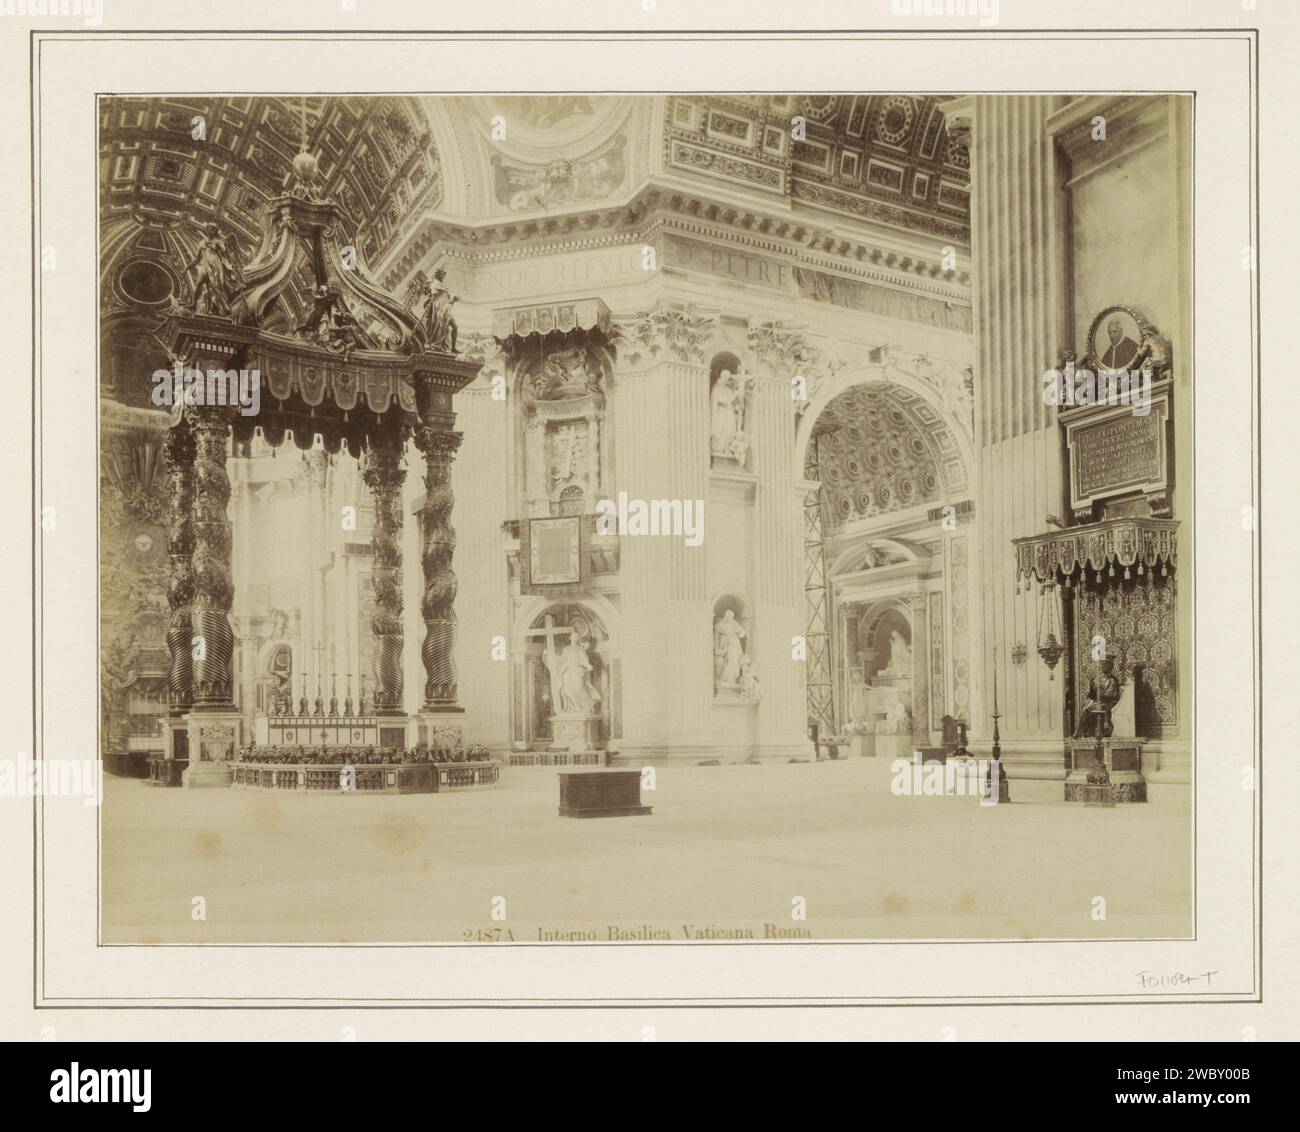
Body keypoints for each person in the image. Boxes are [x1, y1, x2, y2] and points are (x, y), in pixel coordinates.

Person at [1074, 652, 1122, 738]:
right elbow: (1091, 694)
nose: (1103, 666)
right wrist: (1091, 689)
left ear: (1110, 666)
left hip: (1108, 703)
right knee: (1086, 710)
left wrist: (1102, 694)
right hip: (1097, 702)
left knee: (1102, 709)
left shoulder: (1113, 680)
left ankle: (1105, 731)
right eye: (1102, 664)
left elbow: (1112, 694)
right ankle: (1081, 732)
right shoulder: (1096, 679)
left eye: (1105, 664)